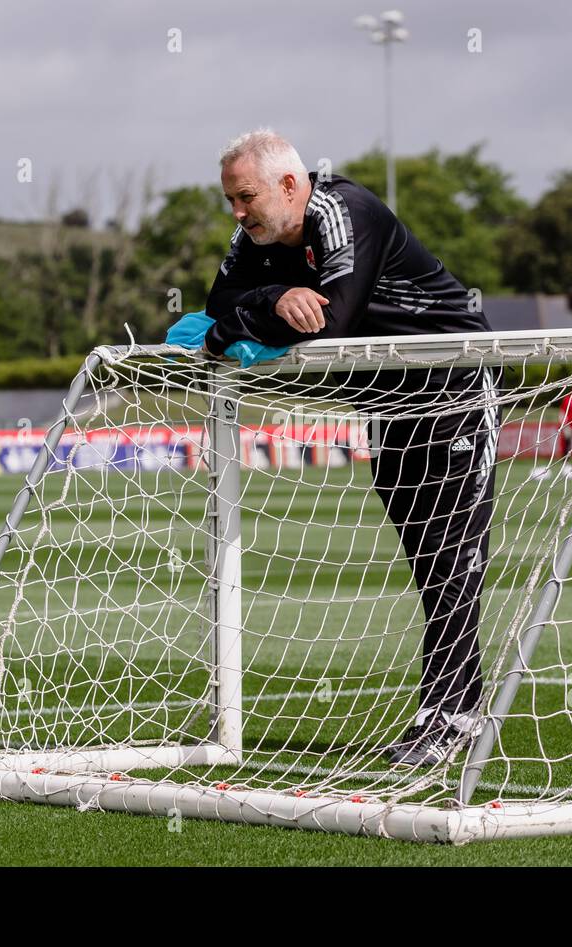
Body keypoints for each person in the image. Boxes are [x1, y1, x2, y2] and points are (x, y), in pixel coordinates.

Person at [199, 129, 498, 766]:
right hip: (385, 405)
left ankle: (452, 717)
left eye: (245, 196)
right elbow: (214, 305)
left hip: (455, 390)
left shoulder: (343, 211)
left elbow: (331, 323)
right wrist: (272, 296)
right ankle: (455, 710)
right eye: (230, 199)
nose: (237, 212)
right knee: (426, 562)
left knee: (451, 560)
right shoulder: (255, 235)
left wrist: (242, 320)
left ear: (289, 184)